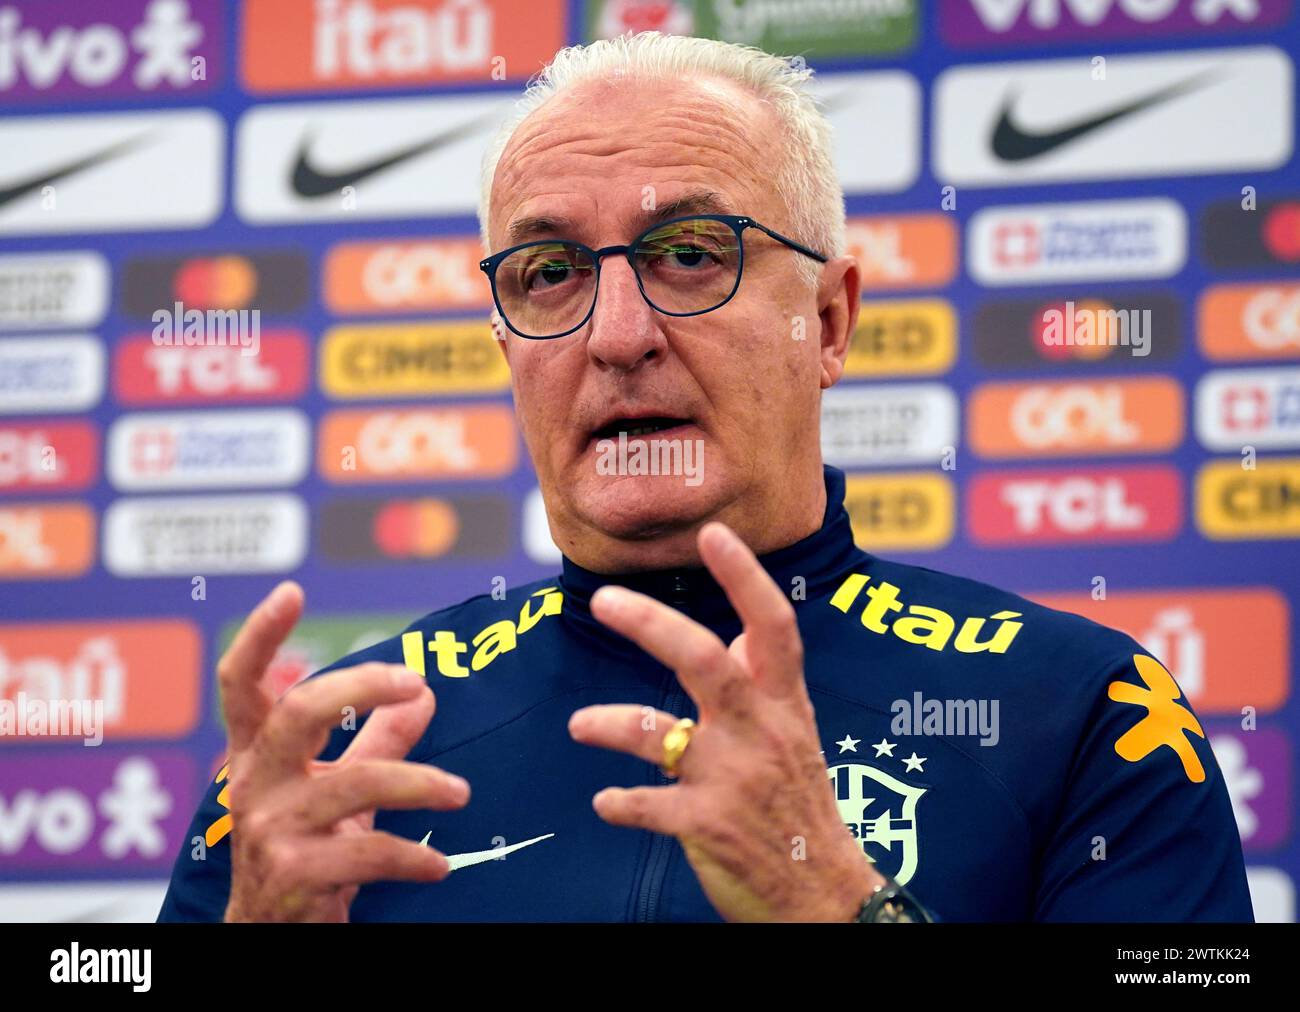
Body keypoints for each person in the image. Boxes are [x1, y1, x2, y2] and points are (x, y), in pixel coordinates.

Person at [158, 32, 1252, 923]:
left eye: (689, 251)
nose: (617, 335)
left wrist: (833, 905)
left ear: (828, 320)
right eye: (549, 274)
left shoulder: (1082, 712)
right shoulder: (330, 756)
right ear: (508, 351)